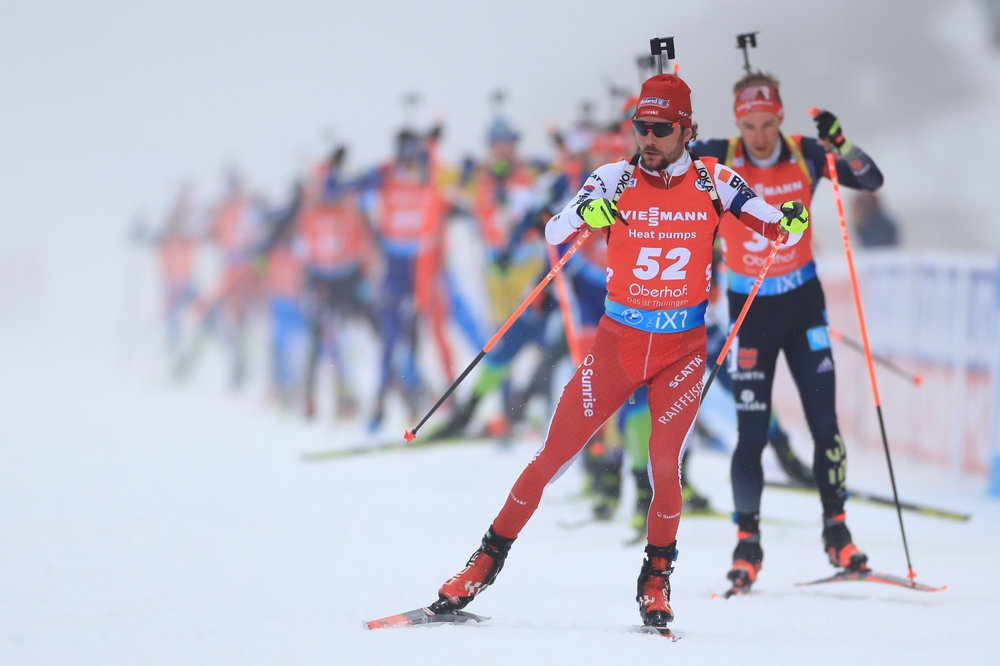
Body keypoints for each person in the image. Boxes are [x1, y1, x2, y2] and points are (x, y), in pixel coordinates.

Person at [425, 74, 804, 630]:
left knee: (663, 467)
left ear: (687, 130)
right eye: (641, 128)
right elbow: (554, 231)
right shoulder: (613, 178)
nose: (648, 138)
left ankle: (656, 580)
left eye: (661, 129)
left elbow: (773, 225)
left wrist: (788, 220)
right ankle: (483, 563)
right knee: (551, 457)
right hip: (617, 346)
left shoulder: (715, 180)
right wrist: (586, 214)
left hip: (681, 351)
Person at [692, 71, 884, 593]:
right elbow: (657, 167)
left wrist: (841, 143)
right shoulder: (716, 154)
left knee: (826, 424)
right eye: (750, 124)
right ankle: (746, 545)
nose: (759, 135)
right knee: (751, 434)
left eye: (769, 123)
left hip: (803, 308)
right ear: (737, 121)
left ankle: (837, 533)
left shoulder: (804, 152)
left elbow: (870, 181)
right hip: (749, 310)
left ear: (781, 117)